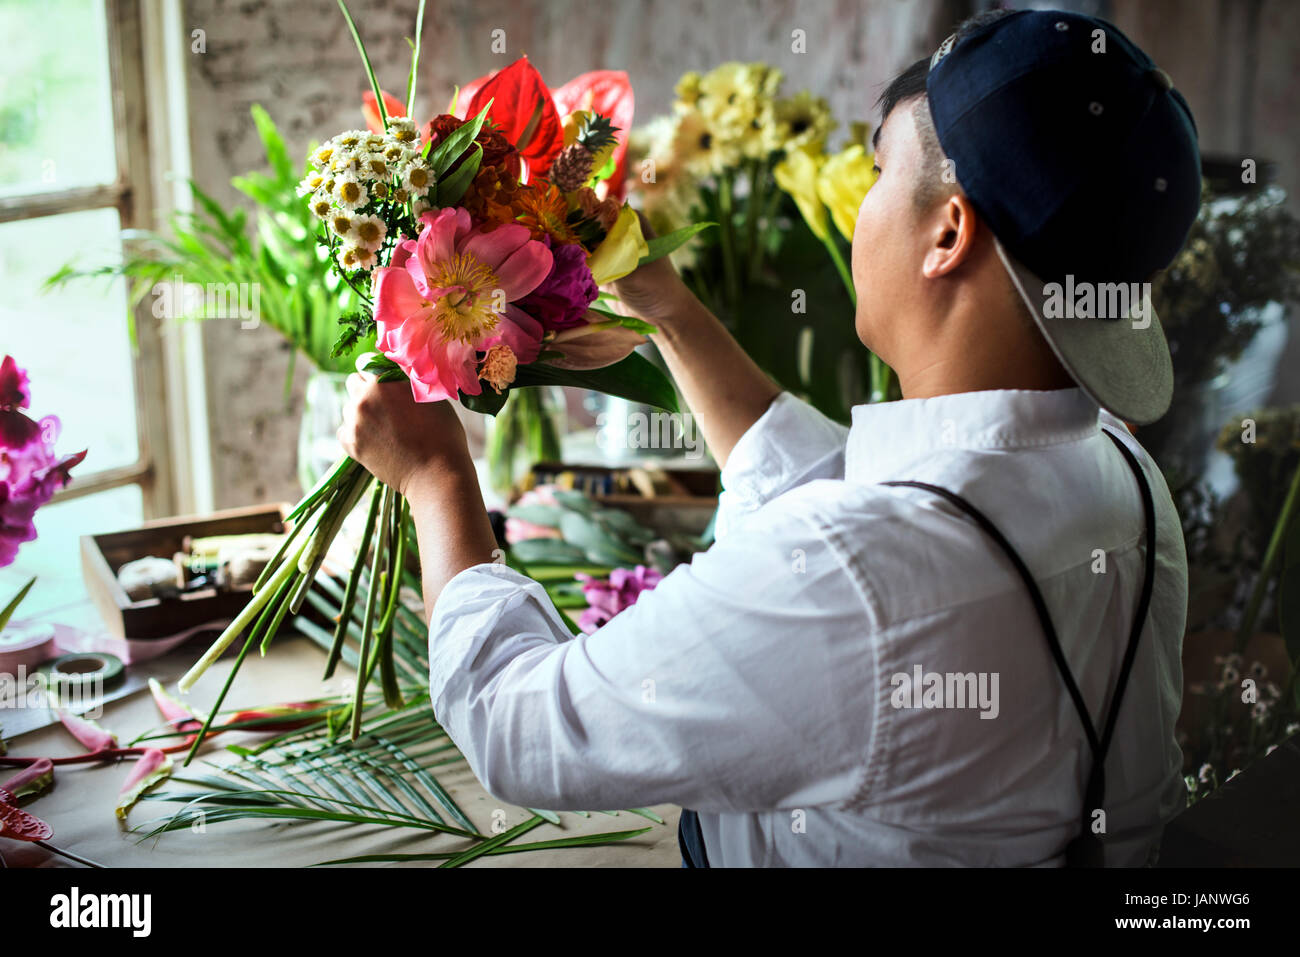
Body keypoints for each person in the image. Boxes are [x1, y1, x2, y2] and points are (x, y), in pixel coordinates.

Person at [337, 7, 1201, 866]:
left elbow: (517, 723)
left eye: (877, 171)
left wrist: (437, 479)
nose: (864, 204)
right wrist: (670, 312)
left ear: (948, 231)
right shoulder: (1123, 475)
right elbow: (857, 510)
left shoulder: (864, 572)